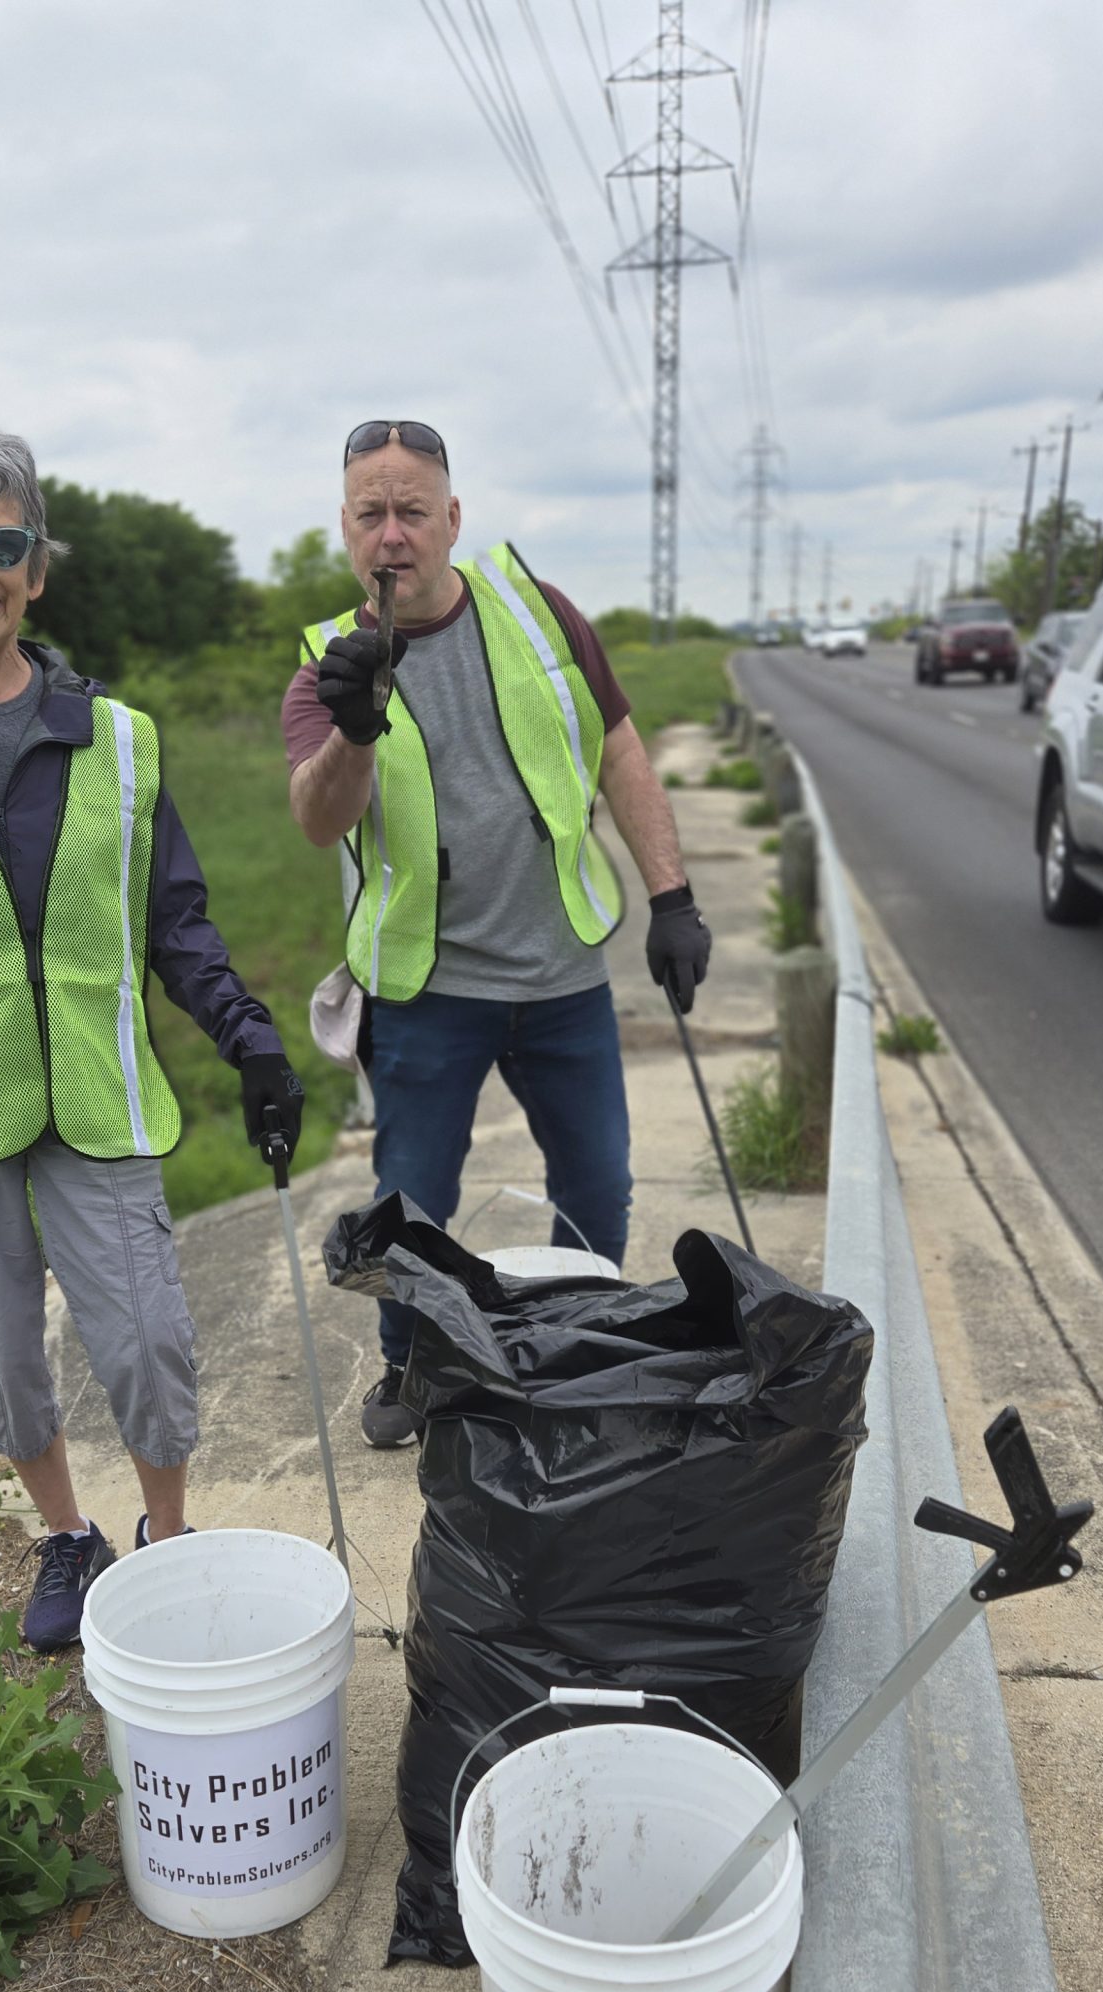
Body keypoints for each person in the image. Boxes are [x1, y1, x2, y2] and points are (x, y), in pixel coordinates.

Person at [0, 422, 303, 1649]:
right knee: (5, 1355)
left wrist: (249, 1037)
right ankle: (63, 1535)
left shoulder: (118, 739)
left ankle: (166, 1537)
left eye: (0, 541)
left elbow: (173, 921)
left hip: (96, 1090)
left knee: (146, 1336)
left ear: (36, 568)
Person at [283, 417, 711, 1447]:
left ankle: (582, 1346)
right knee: (412, 1202)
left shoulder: (539, 615)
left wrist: (672, 897)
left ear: (453, 519)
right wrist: (354, 726)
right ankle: (411, 1370)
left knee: (599, 1182)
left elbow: (620, 753)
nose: (394, 536)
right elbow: (315, 819)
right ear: (346, 529)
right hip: (429, 990)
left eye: (414, 512)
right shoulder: (325, 667)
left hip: (563, 974)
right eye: (372, 515)